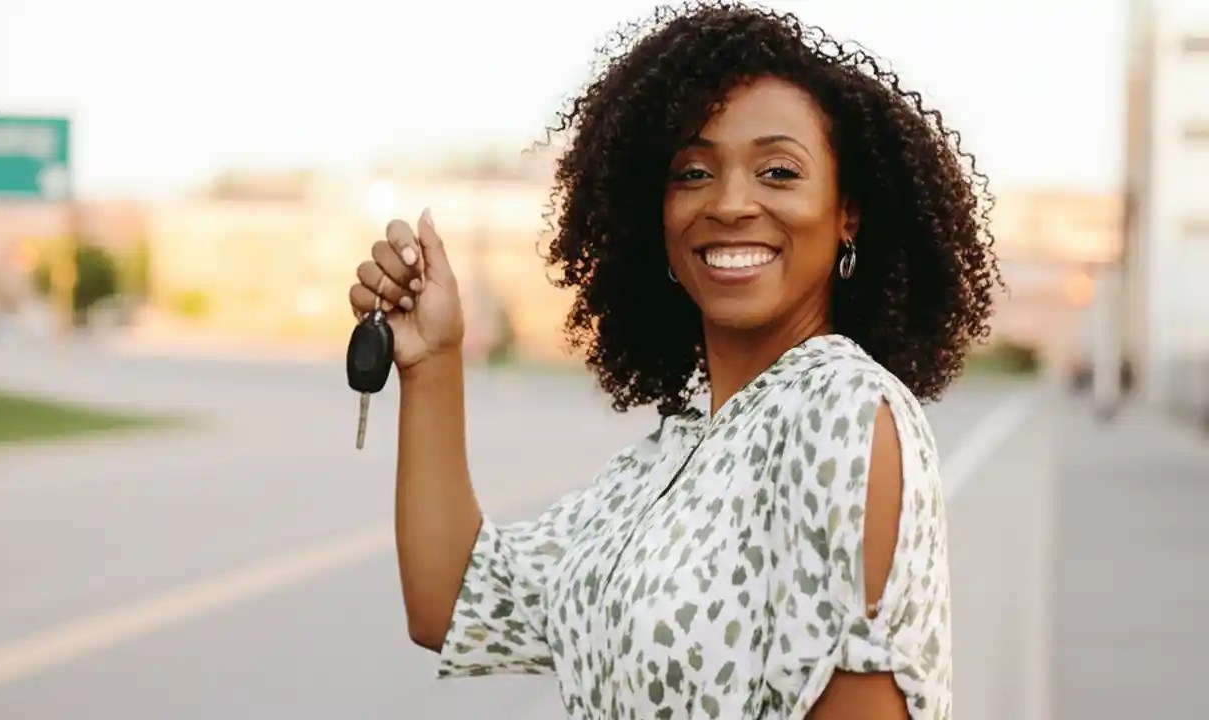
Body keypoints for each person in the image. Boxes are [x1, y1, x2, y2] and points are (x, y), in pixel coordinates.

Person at [347, 2, 1001, 717]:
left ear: (848, 211)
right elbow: (452, 602)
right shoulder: (674, 449)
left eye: (779, 171)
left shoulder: (842, 417)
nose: (729, 203)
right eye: (692, 173)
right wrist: (433, 359)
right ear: (651, 213)